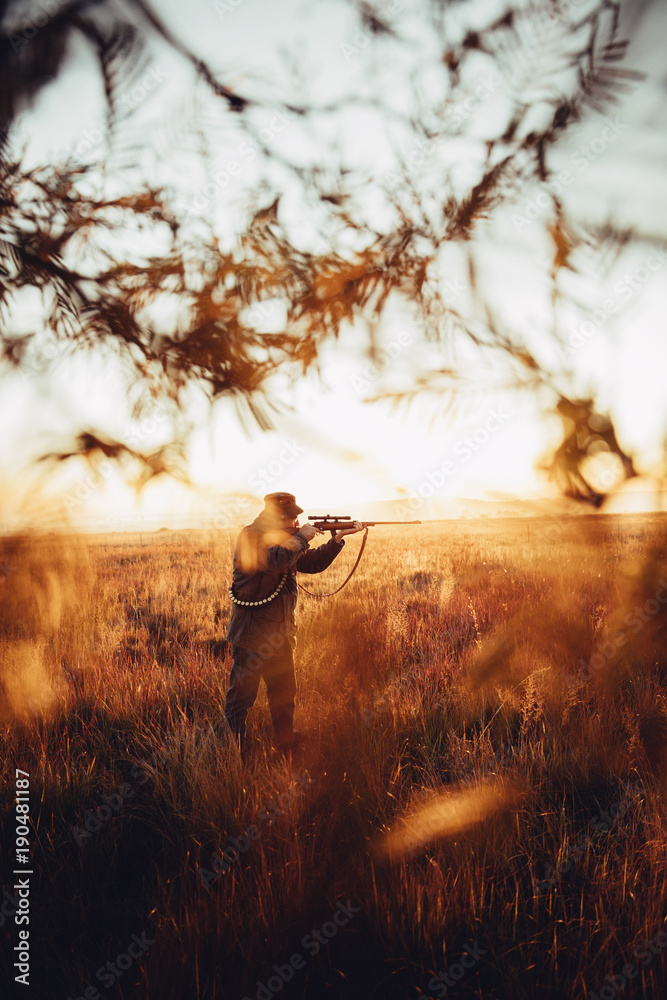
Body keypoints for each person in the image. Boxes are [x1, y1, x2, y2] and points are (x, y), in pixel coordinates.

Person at [224, 492, 363, 754]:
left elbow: (312, 563)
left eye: (297, 518)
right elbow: (273, 562)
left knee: (284, 694)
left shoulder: (286, 541)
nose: (296, 522)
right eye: (290, 518)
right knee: (241, 698)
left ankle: (285, 744)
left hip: (280, 634)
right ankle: (233, 751)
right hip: (251, 635)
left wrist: (337, 539)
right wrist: (302, 538)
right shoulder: (251, 535)